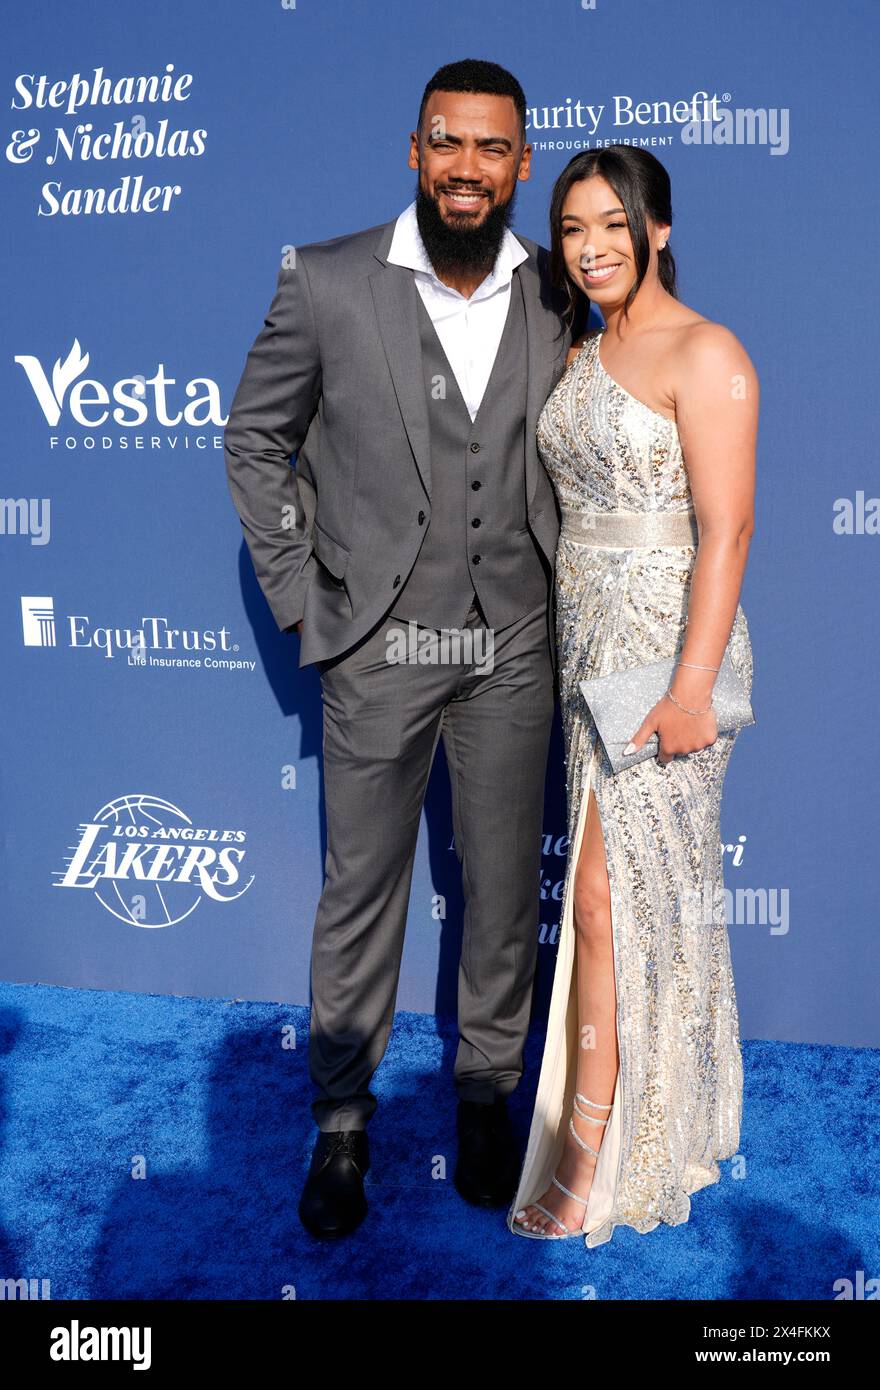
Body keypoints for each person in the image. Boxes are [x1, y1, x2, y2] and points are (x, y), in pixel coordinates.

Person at [223, 58, 571, 1239]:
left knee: (497, 892)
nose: (467, 168)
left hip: (517, 641)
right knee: (359, 887)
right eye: (446, 143)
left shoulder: (559, 292)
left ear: (522, 163)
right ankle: (340, 1123)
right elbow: (254, 440)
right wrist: (301, 592)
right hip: (376, 642)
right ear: (412, 152)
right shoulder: (324, 281)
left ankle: (484, 1094)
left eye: (491, 148)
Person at [509, 145, 757, 1246]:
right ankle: (647, 1122)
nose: (592, 246)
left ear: (656, 227)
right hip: (586, 649)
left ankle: (595, 1154)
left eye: (612, 224)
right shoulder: (584, 346)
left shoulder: (704, 350)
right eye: (571, 229)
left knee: (616, 904)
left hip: (667, 658)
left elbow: (728, 528)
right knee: (622, 907)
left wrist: (694, 685)